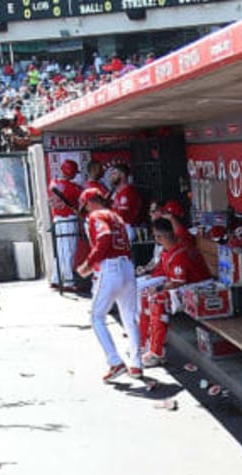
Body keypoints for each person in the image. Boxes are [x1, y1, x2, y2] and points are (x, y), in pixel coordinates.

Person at [77, 187, 140, 381]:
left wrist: (88, 264)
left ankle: (115, 361)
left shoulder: (96, 215)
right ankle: (136, 364)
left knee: (96, 317)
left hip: (110, 267)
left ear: (90, 202)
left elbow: (104, 239)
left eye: (85, 207)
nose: (86, 211)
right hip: (127, 265)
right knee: (130, 318)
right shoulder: (116, 217)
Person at [136, 216, 210, 367]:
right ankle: (144, 342)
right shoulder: (169, 247)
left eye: (157, 236)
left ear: (161, 236)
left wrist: (157, 288)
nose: (156, 239)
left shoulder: (180, 252)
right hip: (186, 287)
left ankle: (156, 352)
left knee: (157, 299)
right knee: (145, 294)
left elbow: (179, 282)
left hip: (200, 289)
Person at [47, 158, 83, 292]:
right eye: (74, 173)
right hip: (68, 220)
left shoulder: (53, 182)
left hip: (57, 220)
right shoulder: (73, 188)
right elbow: (81, 199)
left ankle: (56, 279)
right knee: (68, 251)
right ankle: (68, 281)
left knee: (60, 251)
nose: (75, 175)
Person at [107, 162, 144, 241]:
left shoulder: (128, 192)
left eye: (114, 173)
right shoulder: (117, 193)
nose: (111, 176)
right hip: (119, 228)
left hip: (128, 228)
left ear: (123, 175)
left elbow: (123, 215)